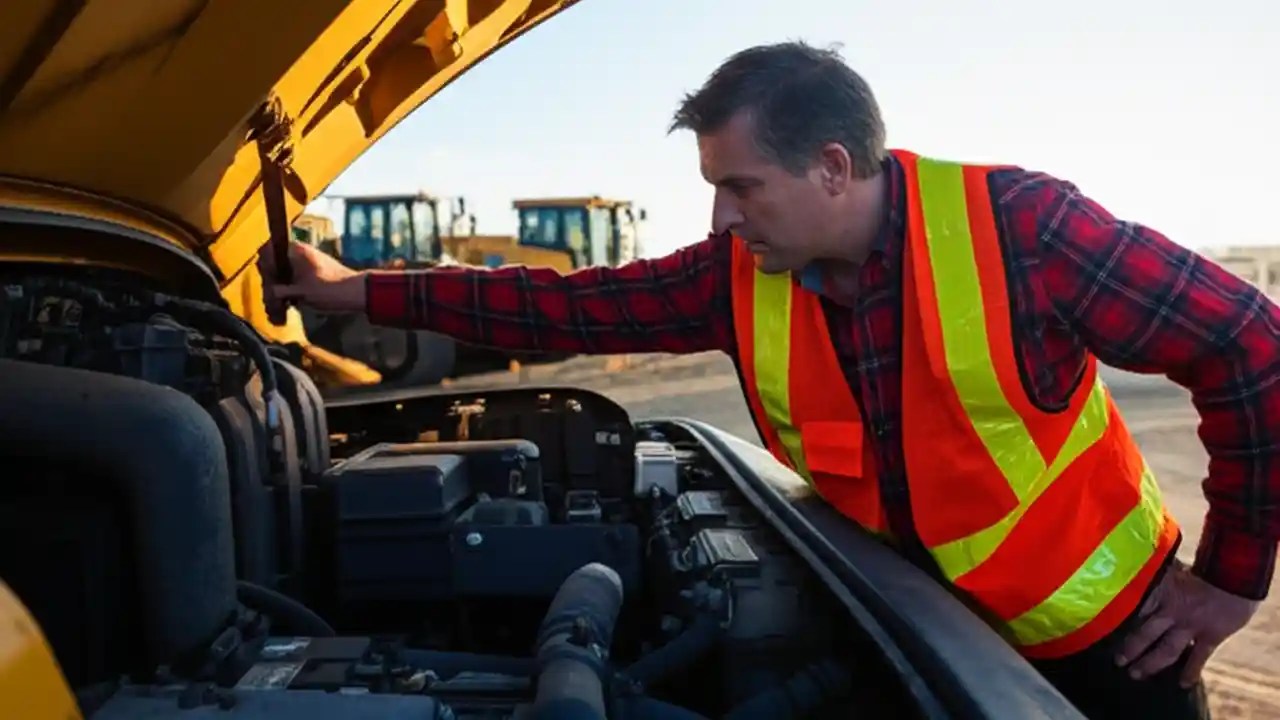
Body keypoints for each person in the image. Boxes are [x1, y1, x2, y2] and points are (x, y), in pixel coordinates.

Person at [263, 41, 1275, 719]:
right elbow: (558, 306)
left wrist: (1228, 583)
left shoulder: (1025, 232)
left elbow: (1248, 348)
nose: (720, 221)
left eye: (739, 187)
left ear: (832, 167)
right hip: (916, 637)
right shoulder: (738, 277)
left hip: (1115, 652)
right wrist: (355, 291)